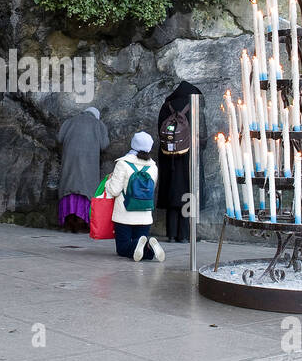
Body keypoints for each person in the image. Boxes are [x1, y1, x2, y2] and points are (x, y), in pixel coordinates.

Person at [157, 79, 207, 243]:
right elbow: (203, 137)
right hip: (188, 158)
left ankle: (171, 234)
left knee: (172, 194)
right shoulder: (193, 106)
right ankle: (185, 235)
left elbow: (160, 132)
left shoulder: (167, 106)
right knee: (187, 193)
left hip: (168, 158)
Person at [104, 131, 164, 261]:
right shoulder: (153, 167)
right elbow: (151, 189)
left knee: (123, 248)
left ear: (133, 144)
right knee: (141, 252)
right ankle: (149, 247)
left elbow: (114, 190)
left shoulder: (123, 163)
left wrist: (108, 181)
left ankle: (141, 244)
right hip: (144, 216)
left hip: (124, 215)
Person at [57, 106, 109, 231]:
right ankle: (82, 223)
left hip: (70, 162)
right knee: (86, 191)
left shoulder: (69, 121)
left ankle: (68, 222)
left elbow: (59, 138)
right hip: (89, 164)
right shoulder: (98, 124)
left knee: (69, 189)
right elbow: (104, 145)